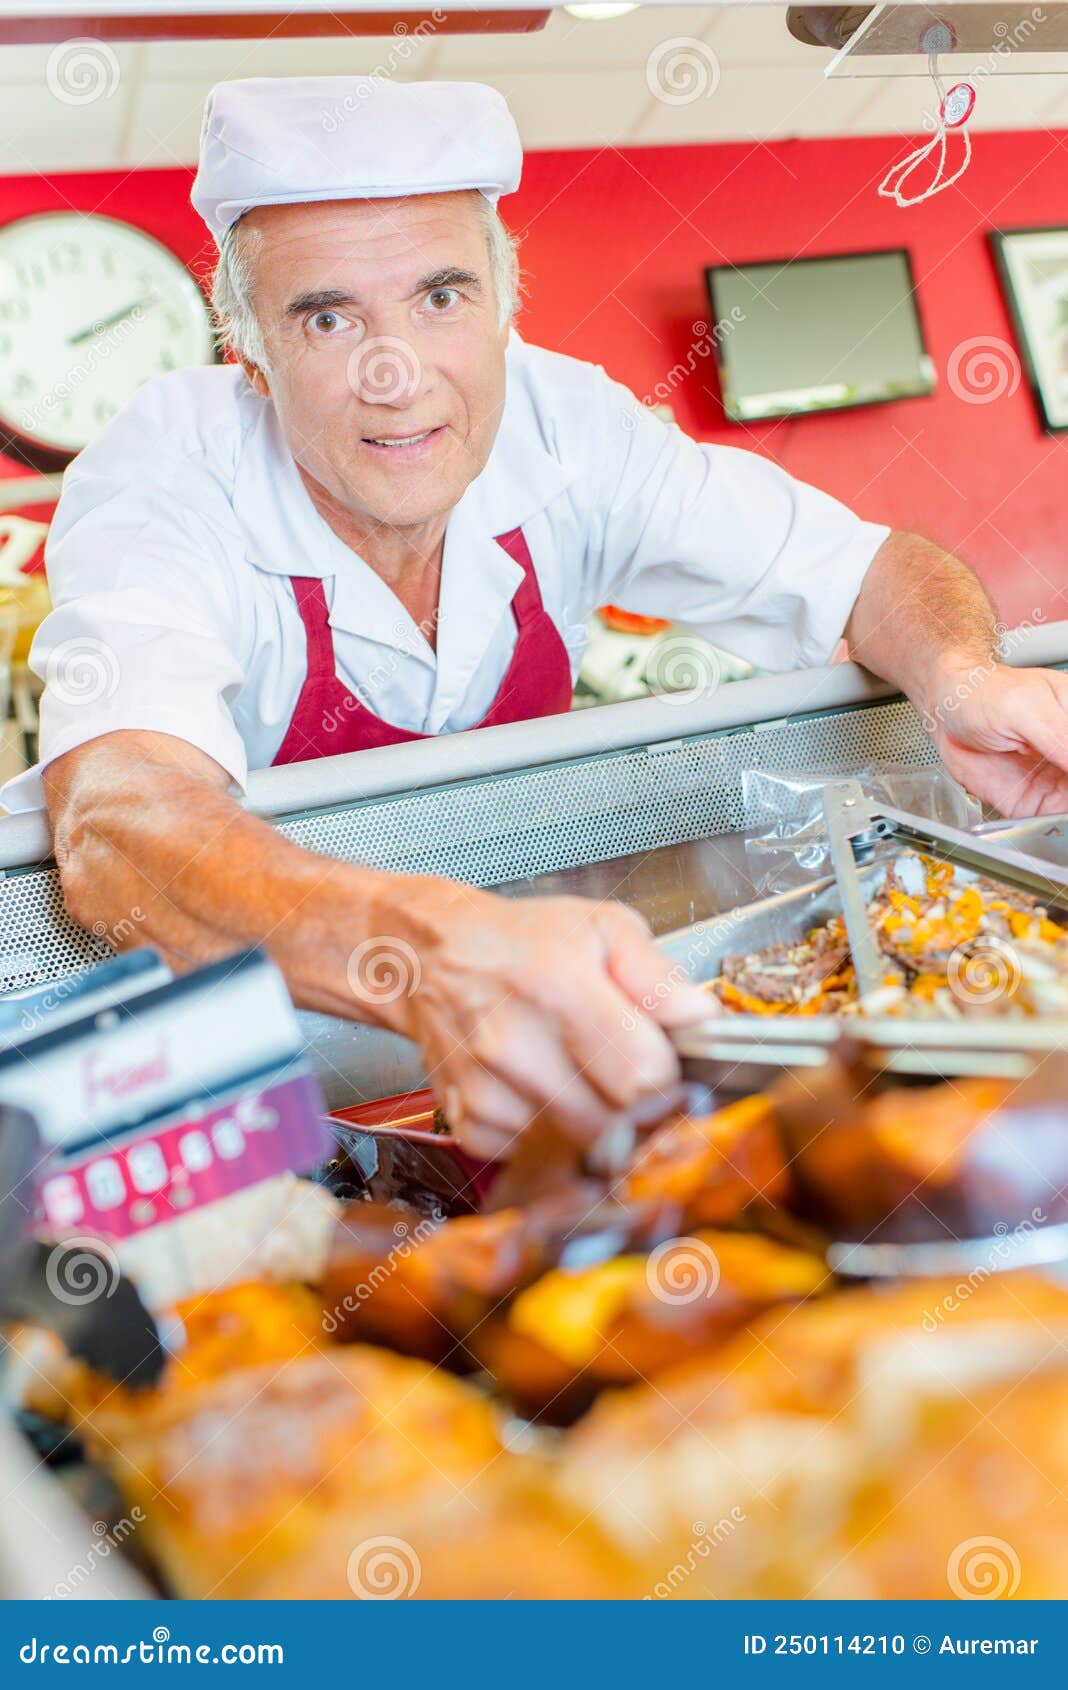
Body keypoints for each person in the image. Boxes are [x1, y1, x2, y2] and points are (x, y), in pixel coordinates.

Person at [9, 76, 1068, 1160]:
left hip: (547, 1006)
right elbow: (118, 823)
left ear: (505, 307)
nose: (397, 374)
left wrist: (962, 677)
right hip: (263, 1072)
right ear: (247, 346)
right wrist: (431, 959)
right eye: (326, 316)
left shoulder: (569, 426)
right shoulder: (167, 472)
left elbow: (869, 569)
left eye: (441, 297)